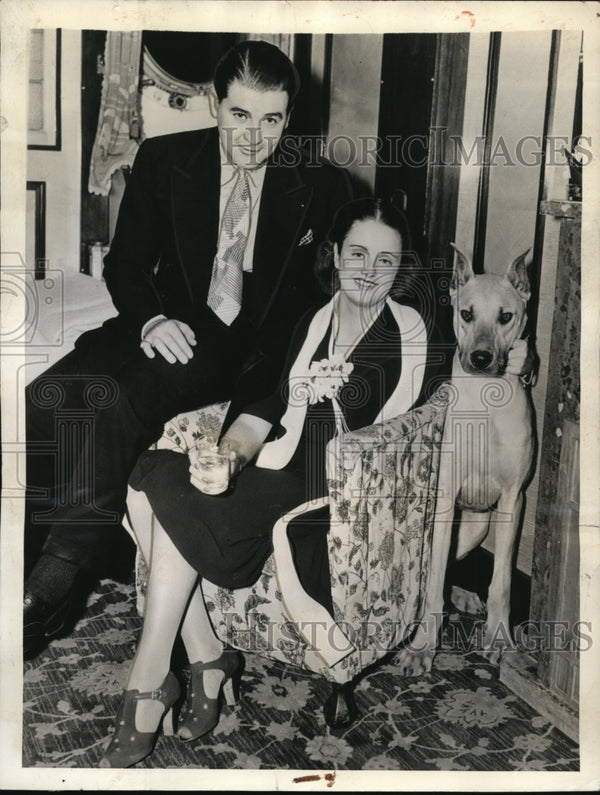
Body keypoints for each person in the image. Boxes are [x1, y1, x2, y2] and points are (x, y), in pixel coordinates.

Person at [98, 196, 529, 768]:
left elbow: (419, 427)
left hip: (338, 500)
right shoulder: (310, 320)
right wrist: (230, 455)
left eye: (386, 260)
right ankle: (202, 656)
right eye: (357, 254)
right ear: (335, 255)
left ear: (400, 270)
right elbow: (266, 408)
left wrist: (518, 361)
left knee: (169, 502)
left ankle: (151, 681)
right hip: (280, 468)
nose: (369, 272)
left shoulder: (415, 336)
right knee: (151, 475)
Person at [23, 39, 352, 659]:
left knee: (120, 399)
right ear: (213, 103)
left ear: (289, 118)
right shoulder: (166, 157)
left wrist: (261, 404)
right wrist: (149, 321)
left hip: (242, 343)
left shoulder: (320, 188)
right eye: (239, 116)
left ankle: (60, 575)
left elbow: (311, 313)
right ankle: (31, 559)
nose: (254, 139)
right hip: (162, 321)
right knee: (43, 397)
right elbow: (125, 265)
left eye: (272, 119)